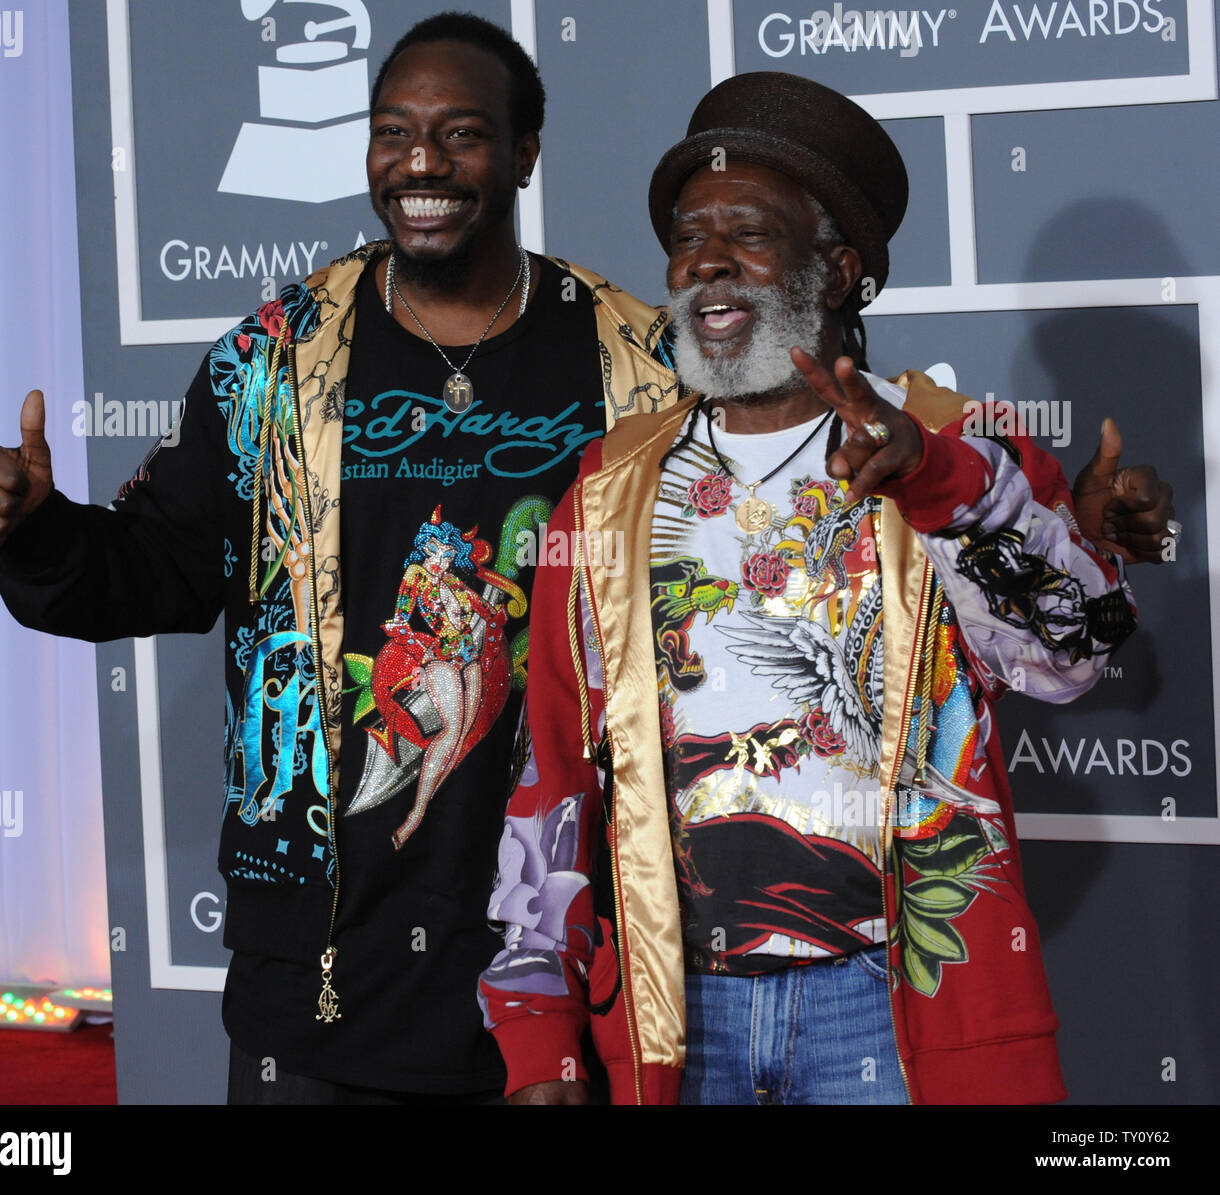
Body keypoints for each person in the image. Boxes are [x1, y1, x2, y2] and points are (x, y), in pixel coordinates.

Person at [0, 12, 683, 1104]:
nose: (421, 163)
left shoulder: (638, 364)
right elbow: (159, 565)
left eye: (461, 133)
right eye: (394, 132)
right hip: (322, 970)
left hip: (562, 962)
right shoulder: (276, 356)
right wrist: (35, 528)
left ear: (525, 152)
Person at [477, 71, 1175, 1105]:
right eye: (688, 235)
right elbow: (550, 760)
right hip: (679, 1015)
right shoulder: (609, 488)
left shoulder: (955, 447)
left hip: (893, 1008)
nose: (705, 259)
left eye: (748, 232)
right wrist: (538, 1023)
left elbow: (1071, 654)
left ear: (838, 270)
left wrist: (933, 484)